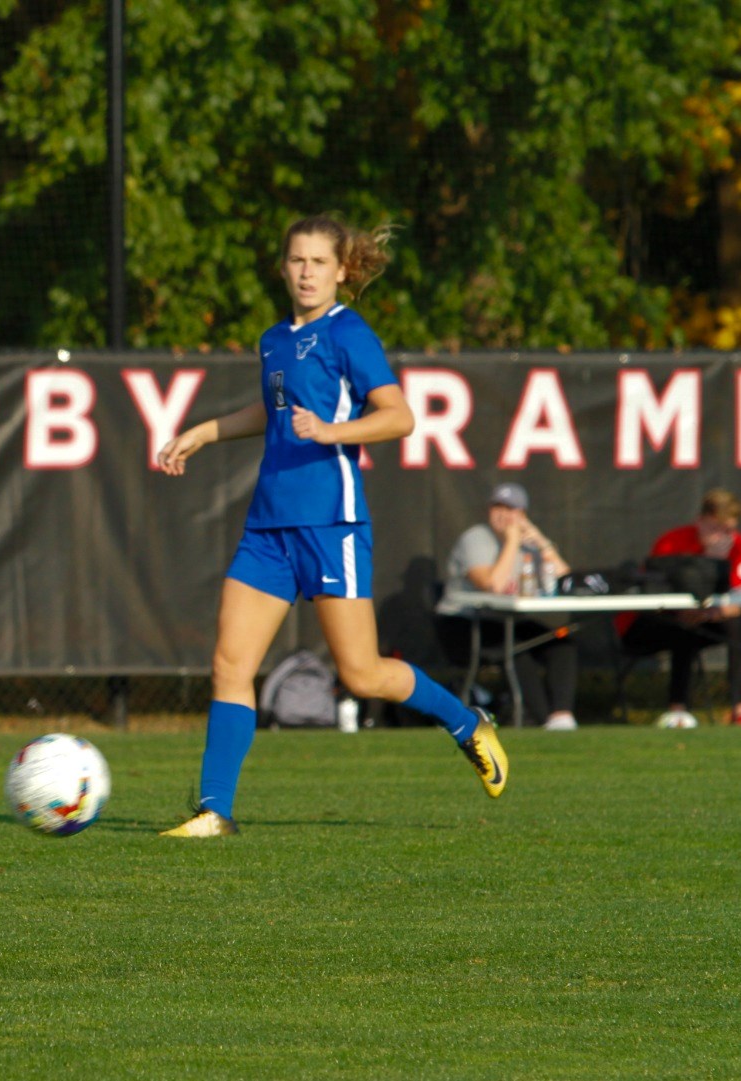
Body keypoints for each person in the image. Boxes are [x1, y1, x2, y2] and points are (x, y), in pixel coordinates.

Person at [154, 214, 508, 838]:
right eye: (297, 261)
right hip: (268, 528)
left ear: (342, 270)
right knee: (229, 666)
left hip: (331, 524)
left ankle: (467, 724)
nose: (307, 272)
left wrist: (334, 432)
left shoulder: (350, 332)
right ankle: (214, 811)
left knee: (362, 673)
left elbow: (398, 417)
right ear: (283, 268)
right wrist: (203, 433)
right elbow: (273, 412)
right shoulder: (274, 340)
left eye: (319, 262)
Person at [437, 483, 579, 730]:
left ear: (522, 514)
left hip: (510, 619)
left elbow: (567, 581)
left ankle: (561, 717)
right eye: (497, 507)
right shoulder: (476, 538)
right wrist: (512, 541)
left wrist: (542, 543)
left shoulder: (531, 542)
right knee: (517, 649)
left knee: (561, 642)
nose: (503, 515)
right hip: (467, 623)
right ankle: (542, 717)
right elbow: (493, 584)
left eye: (511, 509)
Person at [618, 489, 741, 728]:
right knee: (683, 630)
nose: (721, 536)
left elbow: (737, 596)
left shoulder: (736, 547)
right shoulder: (673, 542)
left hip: (707, 619)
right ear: (700, 521)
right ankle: (678, 710)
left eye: (728, 529)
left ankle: (738, 709)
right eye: (714, 528)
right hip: (658, 620)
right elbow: (656, 590)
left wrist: (711, 607)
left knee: (737, 625)